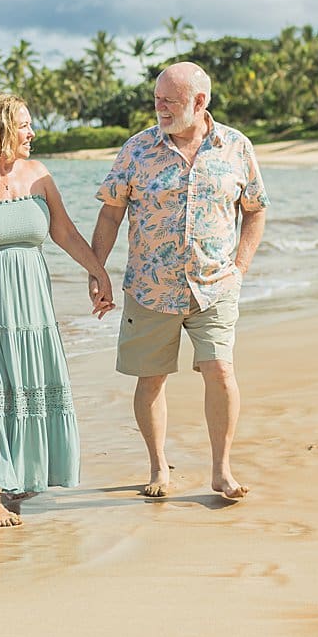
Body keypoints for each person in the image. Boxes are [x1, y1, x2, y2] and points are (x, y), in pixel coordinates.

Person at [0, 93, 115, 527]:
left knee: (30, 387)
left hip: (31, 308)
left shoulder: (39, 177)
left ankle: (21, 477)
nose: (33, 133)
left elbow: (64, 232)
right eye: (24, 126)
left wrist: (98, 273)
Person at [89, 62, 268, 501]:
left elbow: (256, 208)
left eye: (170, 100)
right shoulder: (137, 150)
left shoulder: (236, 147)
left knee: (221, 371)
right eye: (157, 98)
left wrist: (240, 267)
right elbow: (111, 212)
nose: (160, 107)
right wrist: (97, 271)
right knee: (150, 380)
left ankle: (222, 470)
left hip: (215, 286)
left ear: (200, 101)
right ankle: (157, 467)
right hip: (150, 288)